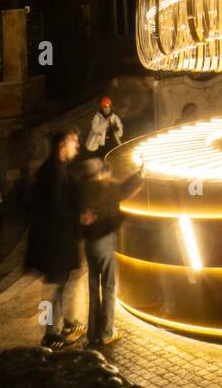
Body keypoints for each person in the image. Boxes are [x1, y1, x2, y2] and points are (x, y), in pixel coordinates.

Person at [24, 129, 85, 348]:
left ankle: (60, 325)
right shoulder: (53, 173)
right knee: (51, 288)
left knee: (59, 285)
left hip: (58, 241)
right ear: (62, 145)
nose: (77, 146)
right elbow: (53, 209)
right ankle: (48, 332)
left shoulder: (56, 170)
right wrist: (78, 215)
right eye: (74, 142)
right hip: (54, 243)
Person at [77, 157, 145, 347]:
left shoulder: (82, 190)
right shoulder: (103, 188)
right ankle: (106, 332)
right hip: (104, 241)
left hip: (89, 244)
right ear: (98, 173)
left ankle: (92, 334)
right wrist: (140, 173)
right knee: (108, 286)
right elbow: (124, 189)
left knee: (93, 286)